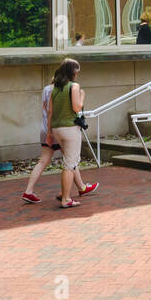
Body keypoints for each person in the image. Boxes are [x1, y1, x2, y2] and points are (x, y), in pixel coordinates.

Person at [23, 81, 97, 204]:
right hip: (56, 127)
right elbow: (58, 110)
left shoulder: (46, 89)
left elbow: (47, 109)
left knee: (45, 161)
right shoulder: (61, 89)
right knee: (70, 160)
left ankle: (28, 191)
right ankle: (73, 191)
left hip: (45, 127)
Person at [48, 58, 89, 207]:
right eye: (76, 71)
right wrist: (82, 95)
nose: (77, 74)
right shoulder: (74, 86)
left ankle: (63, 193)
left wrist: (49, 133)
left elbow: (50, 111)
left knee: (68, 161)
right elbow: (77, 108)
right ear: (72, 72)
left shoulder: (55, 88)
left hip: (56, 129)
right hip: (70, 129)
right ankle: (66, 199)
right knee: (70, 165)